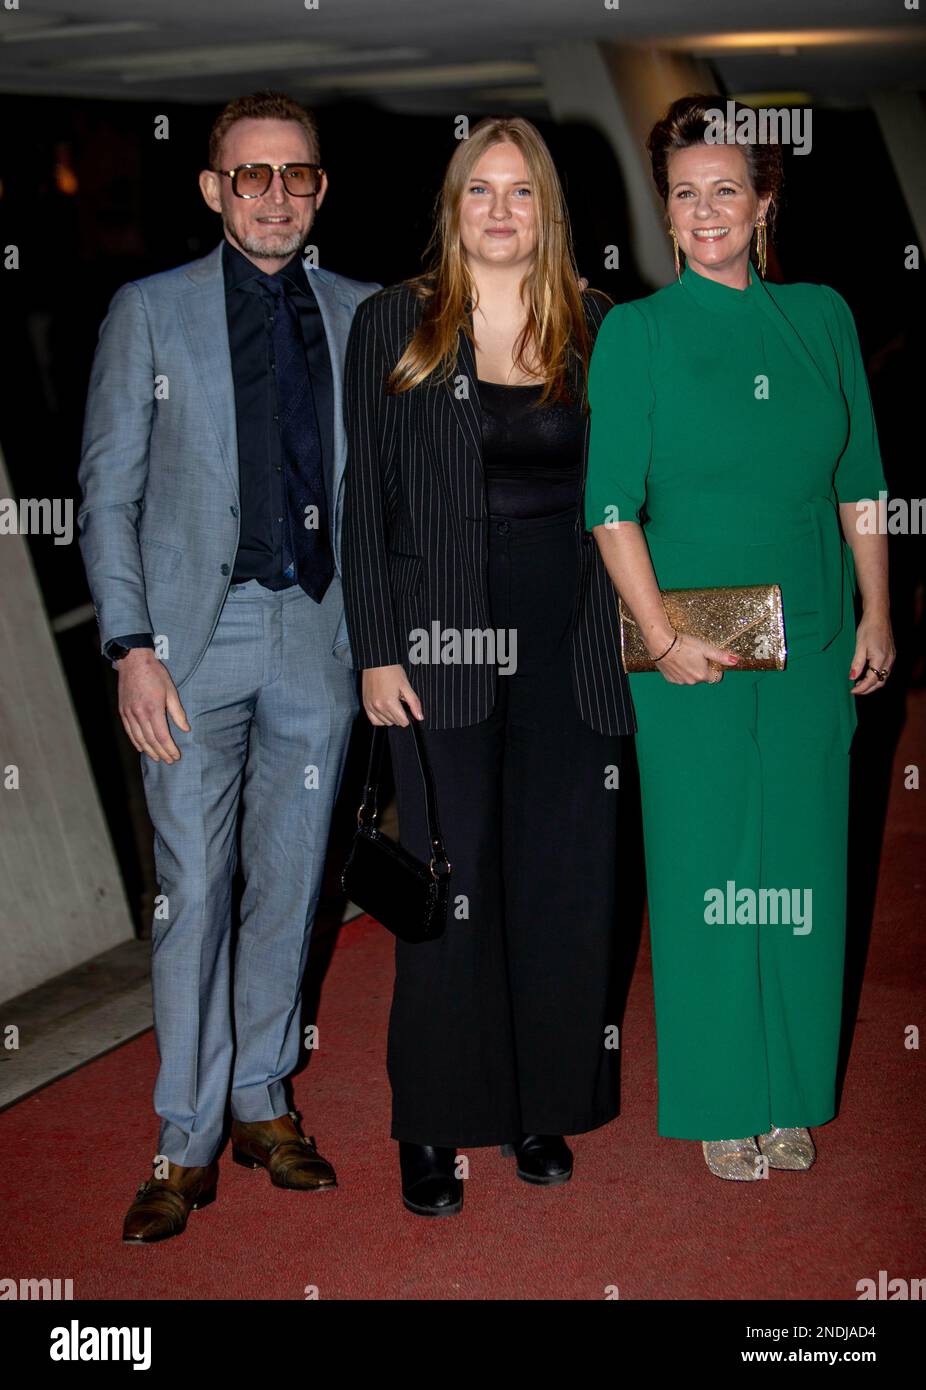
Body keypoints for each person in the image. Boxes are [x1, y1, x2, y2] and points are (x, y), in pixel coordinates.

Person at [78, 90, 378, 1242]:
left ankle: (262, 1097)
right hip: (188, 651)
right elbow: (107, 495)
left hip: (318, 637)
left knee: (291, 886)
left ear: (318, 190)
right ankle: (183, 1133)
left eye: (295, 176)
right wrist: (129, 648)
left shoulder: (363, 315)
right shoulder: (148, 313)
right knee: (194, 893)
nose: (274, 197)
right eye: (249, 176)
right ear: (213, 190)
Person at [585, 95, 894, 1180]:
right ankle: (722, 1096)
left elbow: (858, 481)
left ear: (762, 203)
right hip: (693, 650)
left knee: (802, 868)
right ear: (665, 215)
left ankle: (788, 1093)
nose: (703, 210)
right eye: (683, 194)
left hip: (812, 636)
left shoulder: (820, 316)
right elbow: (610, 507)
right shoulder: (637, 333)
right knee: (710, 867)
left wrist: (878, 608)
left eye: (725, 189)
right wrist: (661, 637)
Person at [342, 116, 635, 1217]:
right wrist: (374, 650)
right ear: (453, 205)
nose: (499, 210)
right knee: (447, 883)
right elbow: (363, 505)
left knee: (561, 882)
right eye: (480, 190)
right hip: (437, 645)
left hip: (571, 642)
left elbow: (636, 488)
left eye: (520, 192)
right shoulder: (393, 322)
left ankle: (535, 1102)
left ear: (547, 211)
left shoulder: (599, 325)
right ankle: (431, 1121)